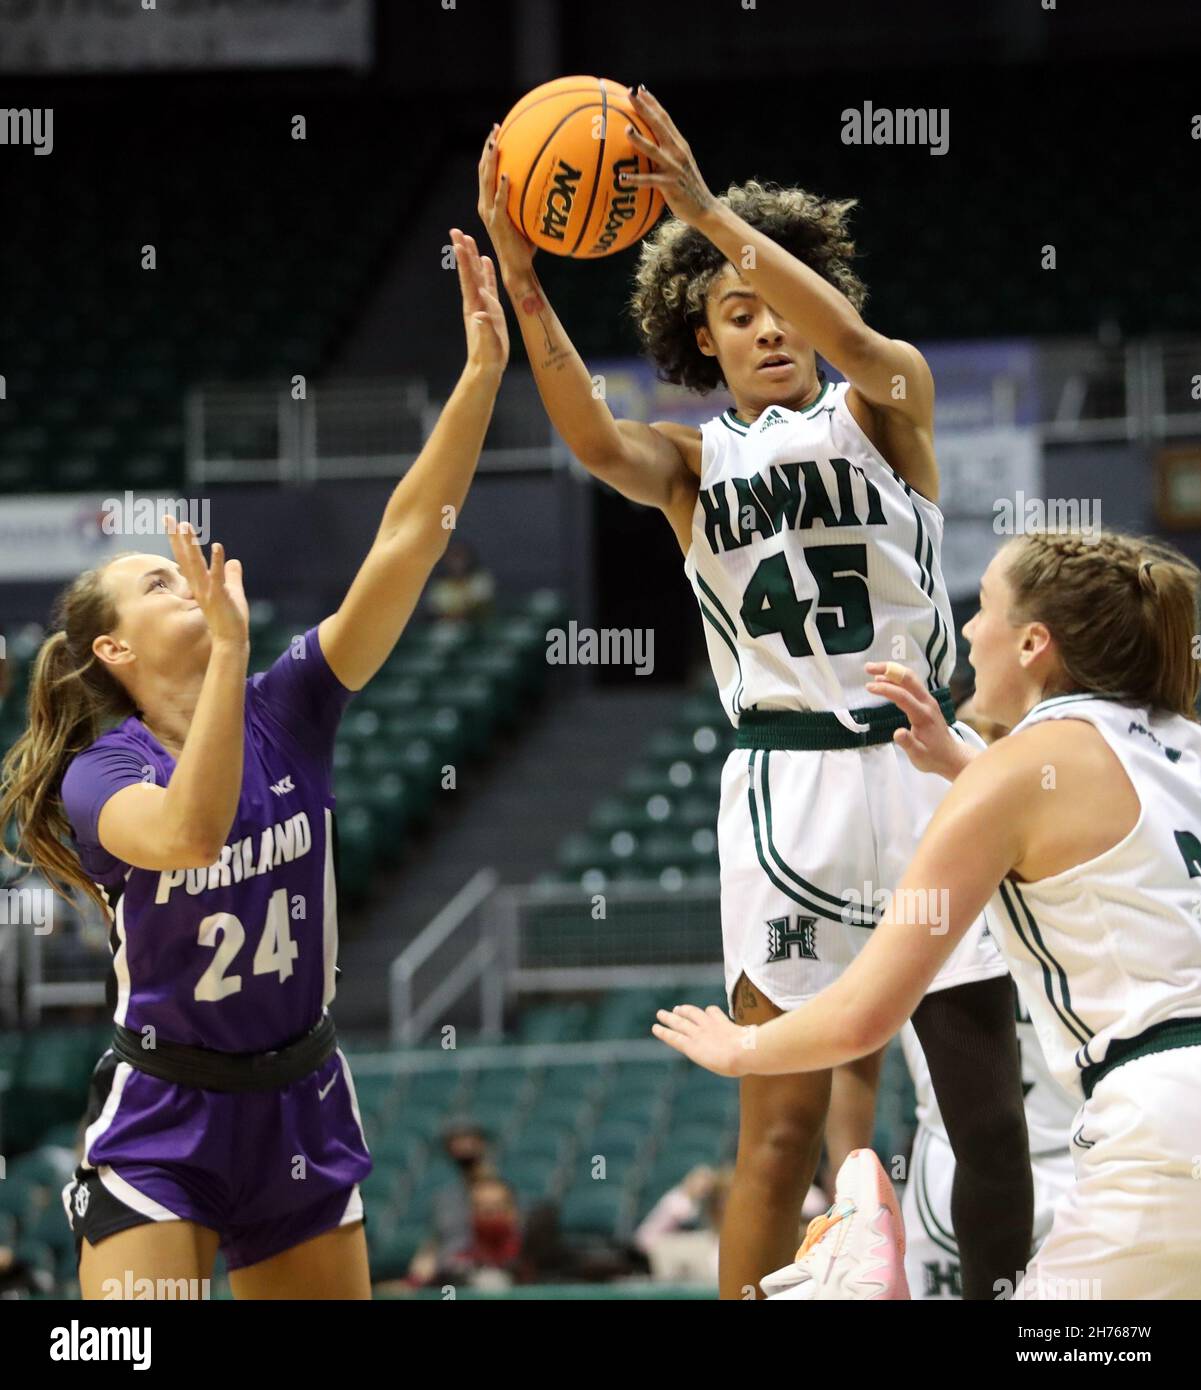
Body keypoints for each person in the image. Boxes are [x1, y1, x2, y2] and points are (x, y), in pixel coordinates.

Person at [477, 86, 1031, 1299]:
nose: (770, 326)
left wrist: (705, 211)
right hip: (785, 794)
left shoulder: (889, 409)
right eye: (740, 312)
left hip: (926, 766)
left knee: (987, 1113)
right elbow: (587, 435)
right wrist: (525, 282)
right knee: (772, 1134)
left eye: (782, 303)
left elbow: (858, 343)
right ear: (704, 341)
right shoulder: (688, 462)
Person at [0, 229, 509, 1299]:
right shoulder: (104, 775)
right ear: (115, 649)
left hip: (300, 1091)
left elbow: (407, 538)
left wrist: (477, 379)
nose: (178, 570)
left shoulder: (294, 700)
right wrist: (230, 649)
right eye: (152, 578)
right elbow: (189, 832)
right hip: (166, 1112)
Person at [654, 528, 1201, 1299]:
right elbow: (1097, 828)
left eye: (987, 609)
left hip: (1165, 1128)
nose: (969, 628)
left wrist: (743, 1047)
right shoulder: (1183, 745)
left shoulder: (1019, 770)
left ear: (1032, 644)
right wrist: (958, 762)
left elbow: (864, 1015)